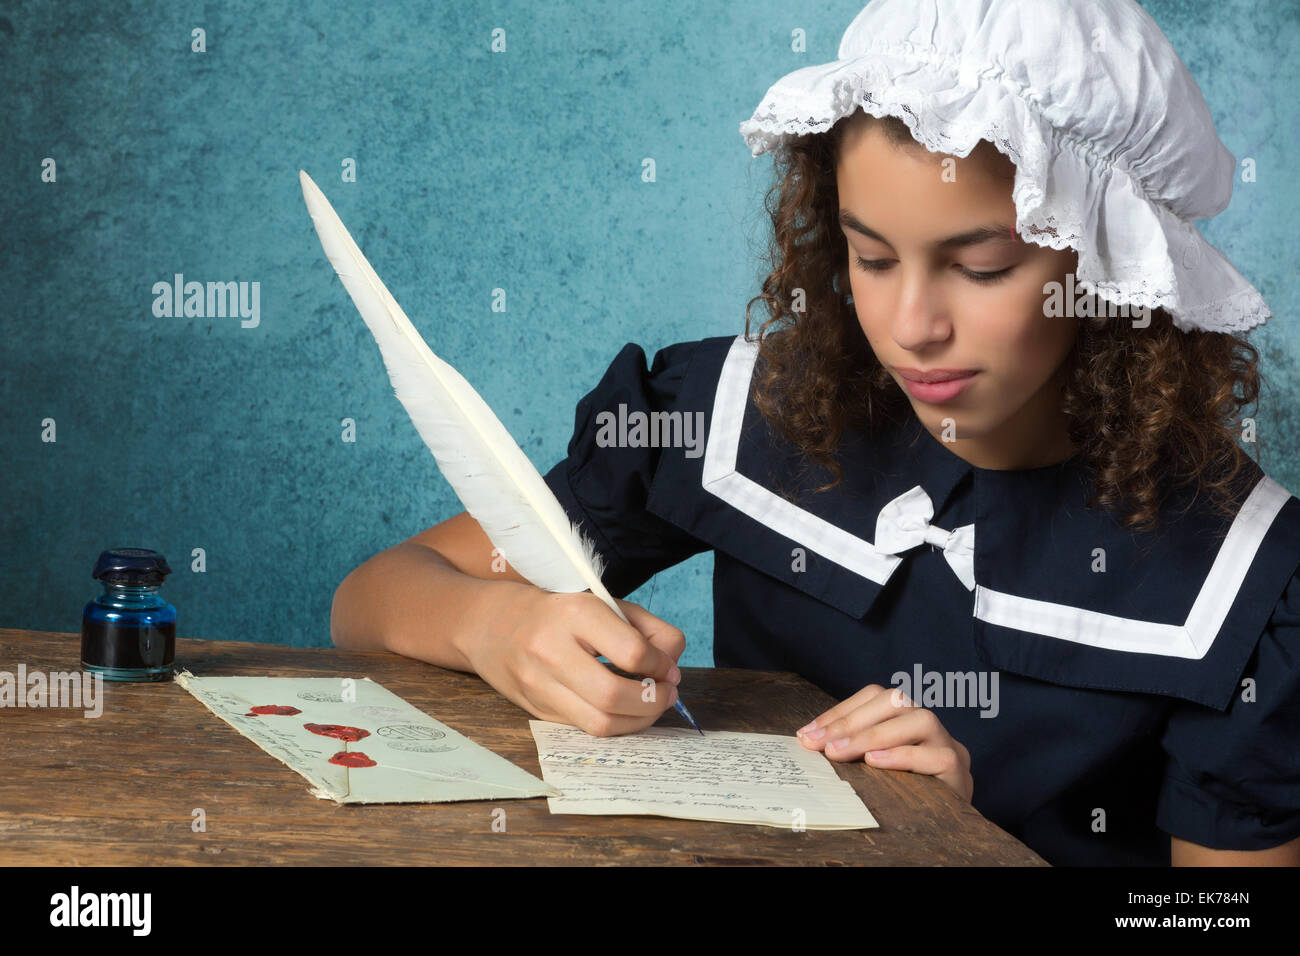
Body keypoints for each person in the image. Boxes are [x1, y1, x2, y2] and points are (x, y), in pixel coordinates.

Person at [330, 0, 1300, 866]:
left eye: (981, 265)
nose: (911, 324)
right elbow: (369, 600)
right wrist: (501, 626)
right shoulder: (735, 411)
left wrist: (959, 847)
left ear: (1110, 259)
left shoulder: (1242, 582)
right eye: (870, 256)